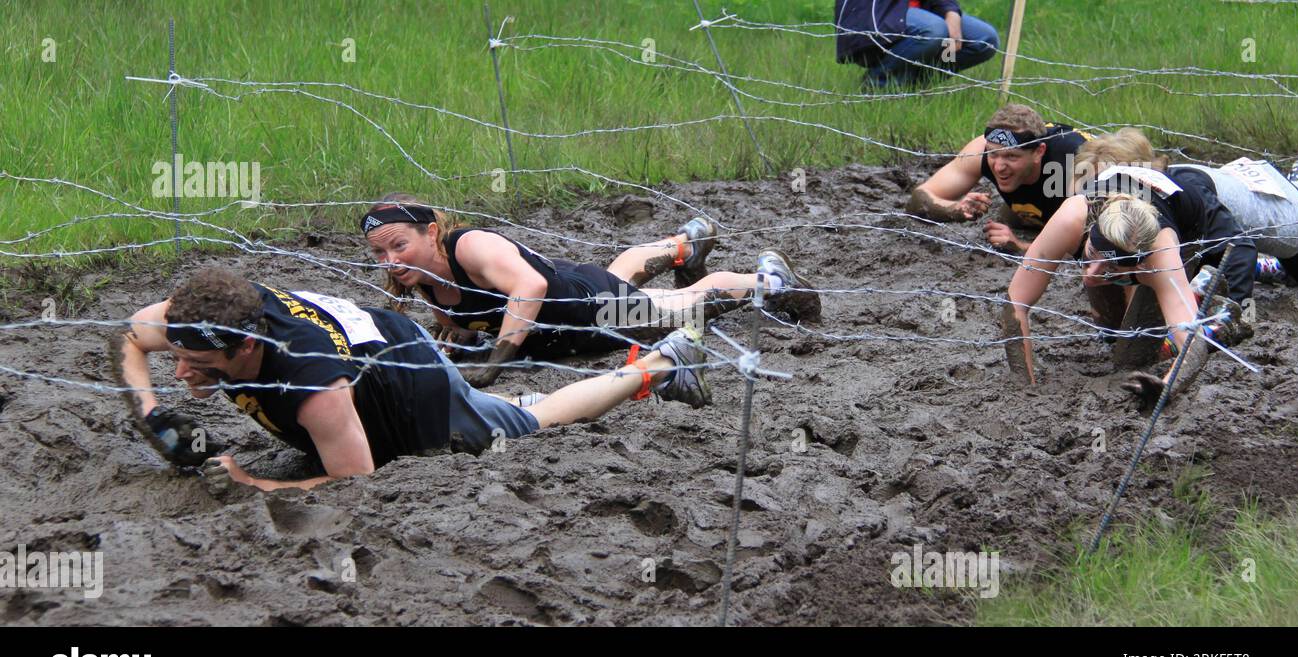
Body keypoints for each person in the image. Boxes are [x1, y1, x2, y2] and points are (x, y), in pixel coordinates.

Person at [114, 267, 718, 493]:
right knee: (495, 407)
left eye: (196, 363)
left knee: (531, 423)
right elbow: (131, 338)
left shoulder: (313, 383)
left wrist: (256, 483)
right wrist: (152, 415)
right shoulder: (214, 313)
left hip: (415, 389)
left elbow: (355, 481)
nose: (180, 369)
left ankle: (660, 365)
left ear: (248, 345)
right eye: (180, 353)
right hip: (379, 355)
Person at [362, 193, 821, 387]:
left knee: (680, 309)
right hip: (575, 299)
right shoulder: (421, 276)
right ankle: (684, 245)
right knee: (621, 281)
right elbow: (463, 318)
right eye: (380, 255)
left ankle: (771, 281)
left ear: (429, 232)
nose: (391, 261)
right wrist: (462, 339)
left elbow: (529, 284)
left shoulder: (468, 245)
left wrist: (498, 358)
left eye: (398, 246)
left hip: (589, 313)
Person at [999, 130, 1270, 395]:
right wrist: (1025, 388)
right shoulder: (1073, 215)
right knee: (1113, 333)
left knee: (1135, 355)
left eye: (1110, 269)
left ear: (1140, 265)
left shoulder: (1162, 257)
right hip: (1119, 224)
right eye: (1090, 256)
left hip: (1186, 222)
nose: (1090, 276)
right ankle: (1184, 289)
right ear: (1089, 231)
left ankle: (1209, 303)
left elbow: (1189, 340)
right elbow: (1016, 301)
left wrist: (1167, 387)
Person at [907, 104, 1092, 252]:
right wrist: (954, 209)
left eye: (1012, 156)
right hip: (1038, 208)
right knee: (1012, 217)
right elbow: (917, 201)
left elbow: (1102, 248)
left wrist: (1022, 248)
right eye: (993, 154)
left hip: (1089, 205)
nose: (999, 166)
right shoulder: (981, 150)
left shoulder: (1077, 162)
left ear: (1039, 152)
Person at [835, 0, 999, 89]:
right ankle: (877, 85)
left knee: (984, 39)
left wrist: (951, 13)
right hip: (877, 14)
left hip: (923, 14)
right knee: (933, 29)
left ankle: (914, 84)